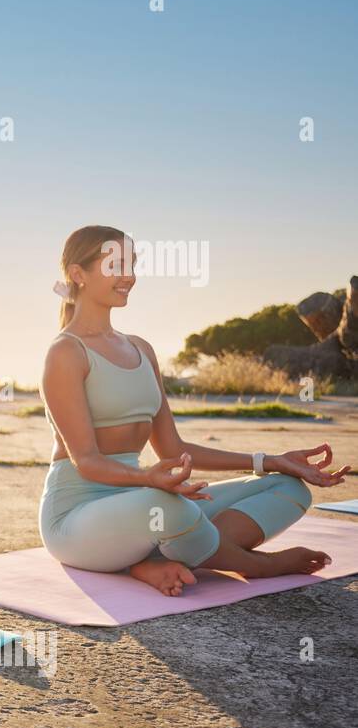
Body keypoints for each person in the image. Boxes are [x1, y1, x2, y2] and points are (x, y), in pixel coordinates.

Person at [38, 225, 348, 596]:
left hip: (143, 503)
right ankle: (257, 565)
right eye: (115, 264)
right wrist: (149, 480)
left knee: (288, 489)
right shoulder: (65, 353)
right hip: (76, 520)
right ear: (78, 274)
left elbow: (172, 450)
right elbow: (86, 461)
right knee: (169, 507)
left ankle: (151, 559)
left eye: (132, 264)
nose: (128, 276)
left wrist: (272, 461)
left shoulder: (141, 349)